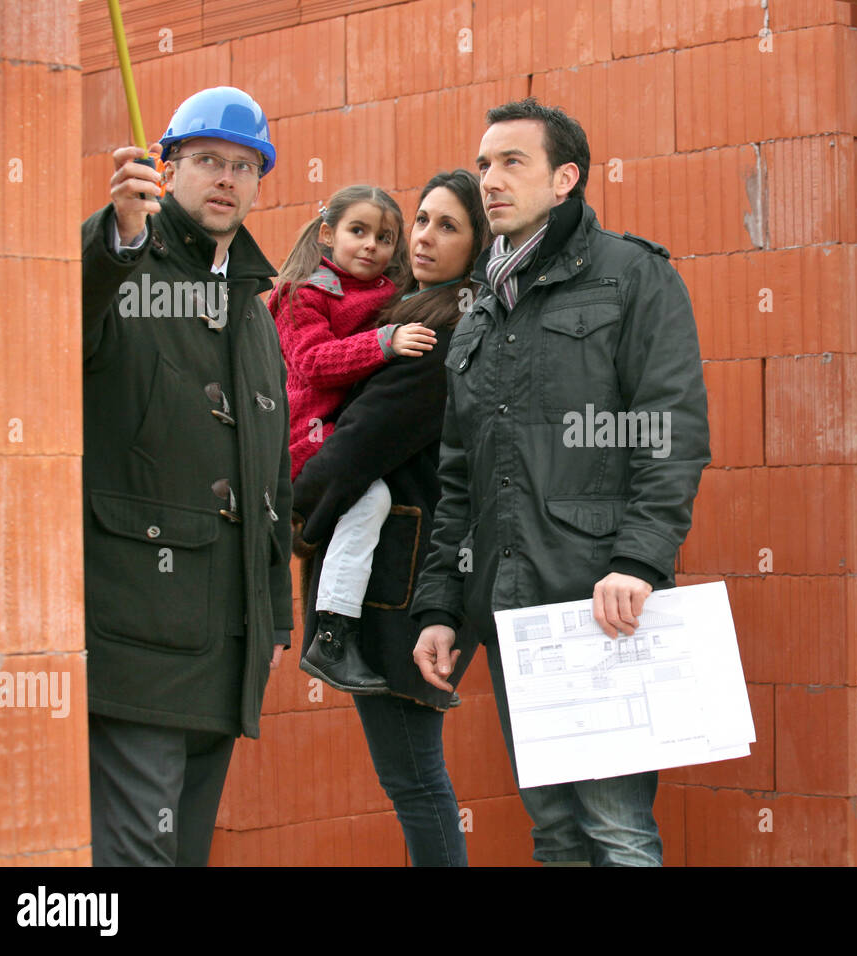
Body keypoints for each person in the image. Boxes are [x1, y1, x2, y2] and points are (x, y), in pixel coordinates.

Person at [409, 98, 711, 866]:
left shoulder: (632, 277)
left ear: (565, 178)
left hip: (600, 600)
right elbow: (458, 479)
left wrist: (637, 560)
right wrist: (441, 605)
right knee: (554, 835)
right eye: (484, 164)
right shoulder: (481, 314)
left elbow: (669, 429)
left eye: (512, 162)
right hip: (512, 611)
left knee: (617, 830)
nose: (490, 179)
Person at [81, 86, 292, 866]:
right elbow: (64, 315)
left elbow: (272, 479)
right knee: (138, 853)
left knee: (184, 851)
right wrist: (118, 235)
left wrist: (274, 615)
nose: (226, 178)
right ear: (166, 168)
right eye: (207, 159)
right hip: (136, 637)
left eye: (244, 165)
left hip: (227, 644)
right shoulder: (124, 263)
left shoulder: (254, 307)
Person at [291, 169, 491, 866]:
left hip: (403, 592)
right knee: (414, 776)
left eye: (448, 226)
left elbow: (355, 449)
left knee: (414, 779)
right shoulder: (410, 315)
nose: (424, 238)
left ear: (479, 245)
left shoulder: (439, 338)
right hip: (409, 580)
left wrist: (290, 519)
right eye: (423, 221)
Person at [270, 185, 438, 693]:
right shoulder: (302, 294)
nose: (371, 245)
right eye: (357, 231)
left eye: (385, 238)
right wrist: (385, 342)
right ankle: (332, 634)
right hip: (306, 435)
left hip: (339, 429)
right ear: (328, 233)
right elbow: (312, 363)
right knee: (373, 498)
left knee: (371, 500)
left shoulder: (388, 294)